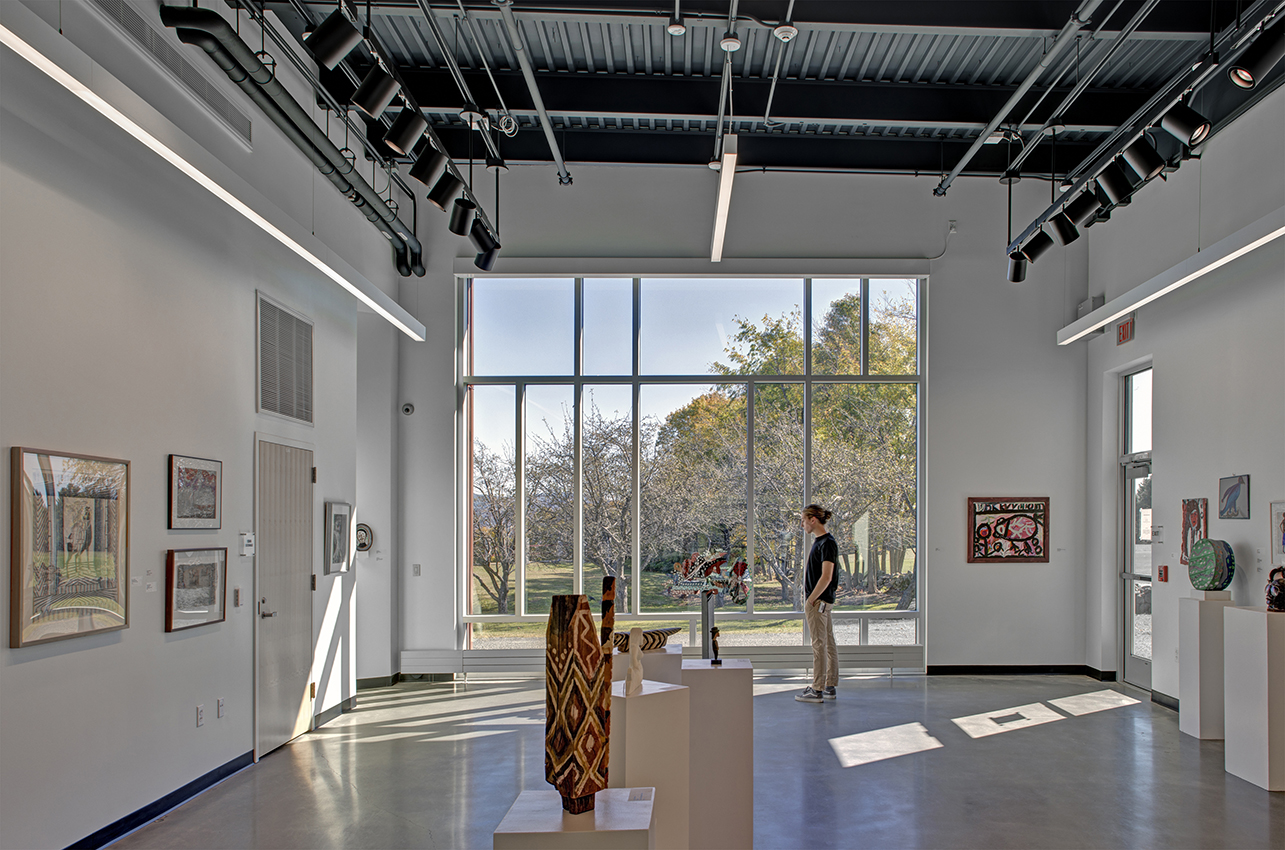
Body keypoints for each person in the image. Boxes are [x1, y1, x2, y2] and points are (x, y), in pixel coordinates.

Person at [797, 504, 839, 703]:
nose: (802, 524)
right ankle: (829, 685)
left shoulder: (827, 543)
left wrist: (811, 599)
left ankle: (817, 688)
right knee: (828, 642)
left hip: (819, 602)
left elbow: (827, 576)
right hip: (822, 601)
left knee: (819, 644)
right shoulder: (822, 542)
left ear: (813, 519)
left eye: (803, 520)